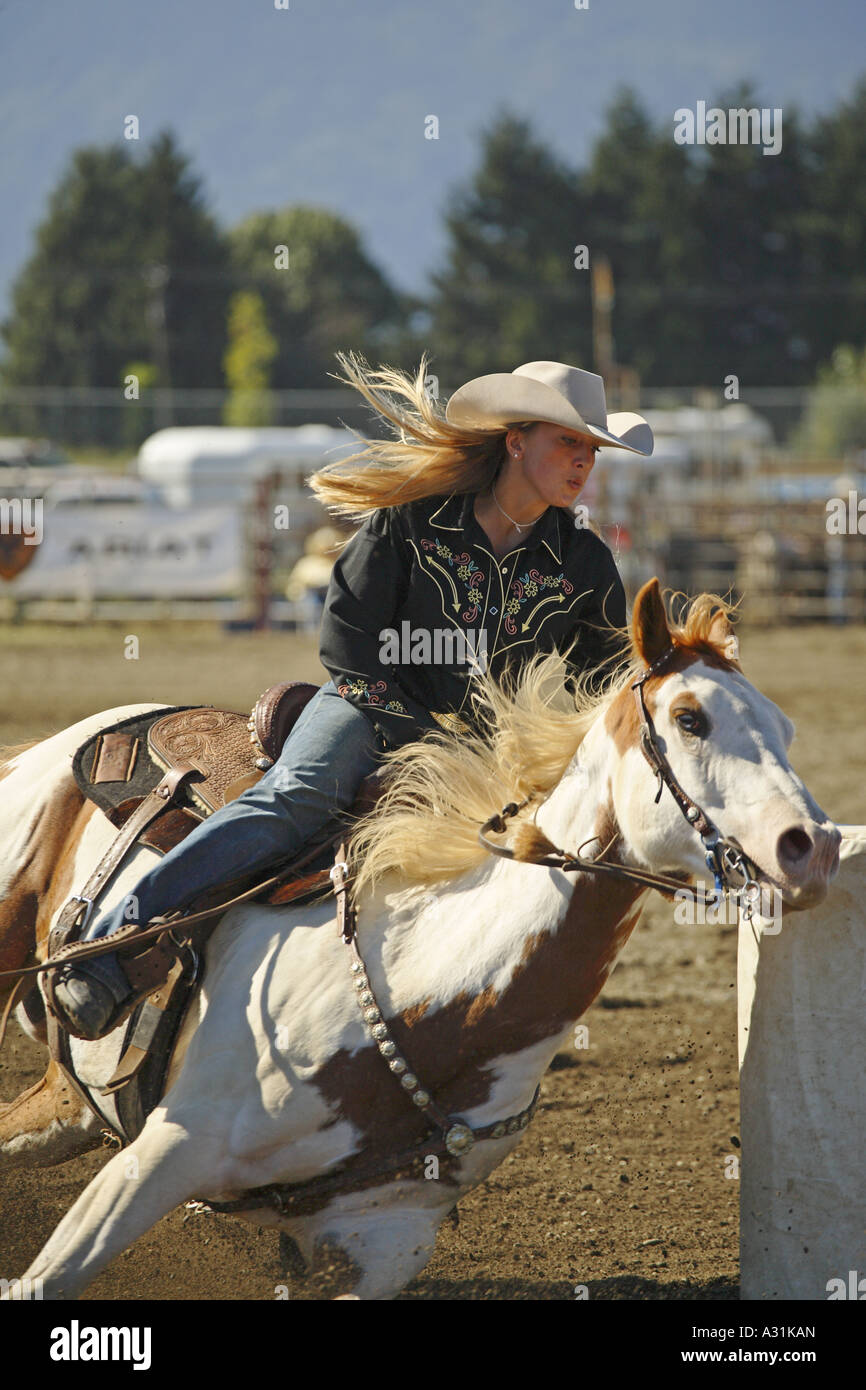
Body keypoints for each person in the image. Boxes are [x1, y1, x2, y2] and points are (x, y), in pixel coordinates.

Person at [50, 352, 653, 1039]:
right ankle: (116, 938)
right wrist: (424, 736)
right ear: (516, 442)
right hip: (372, 708)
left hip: (495, 753)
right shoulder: (413, 521)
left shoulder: (583, 561)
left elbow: (606, 683)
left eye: (592, 450)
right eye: (568, 443)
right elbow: (347, 643)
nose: (585, 463)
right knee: (299, 795)